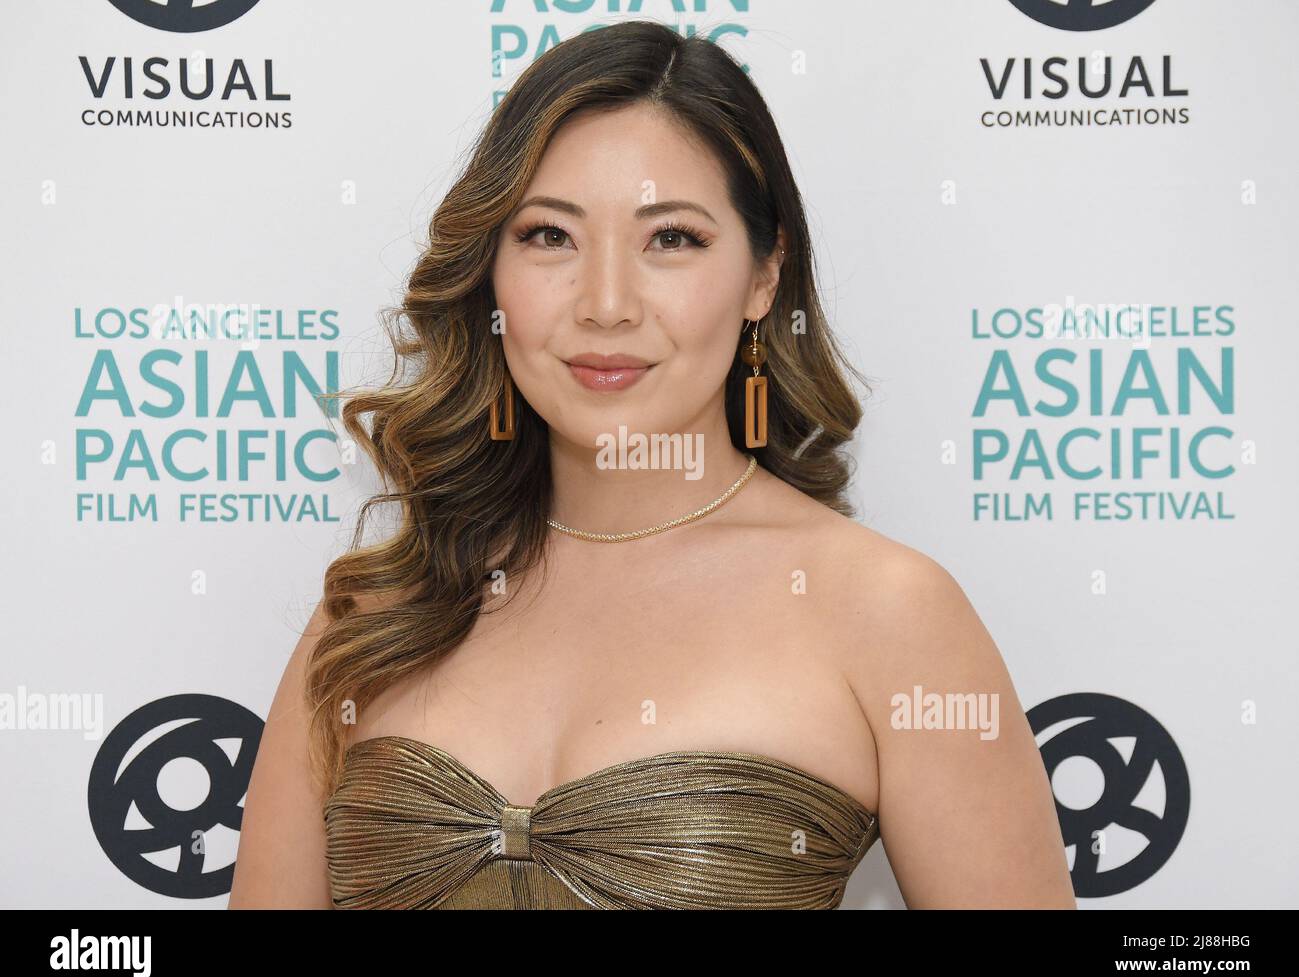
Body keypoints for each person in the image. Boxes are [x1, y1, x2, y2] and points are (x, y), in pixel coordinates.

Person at [229, 19, 1075, 909]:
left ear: (764, 275)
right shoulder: (372, 614)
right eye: (550, 236)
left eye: (671, 238)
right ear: (489, 272)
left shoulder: (885, 612)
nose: (604, 304)